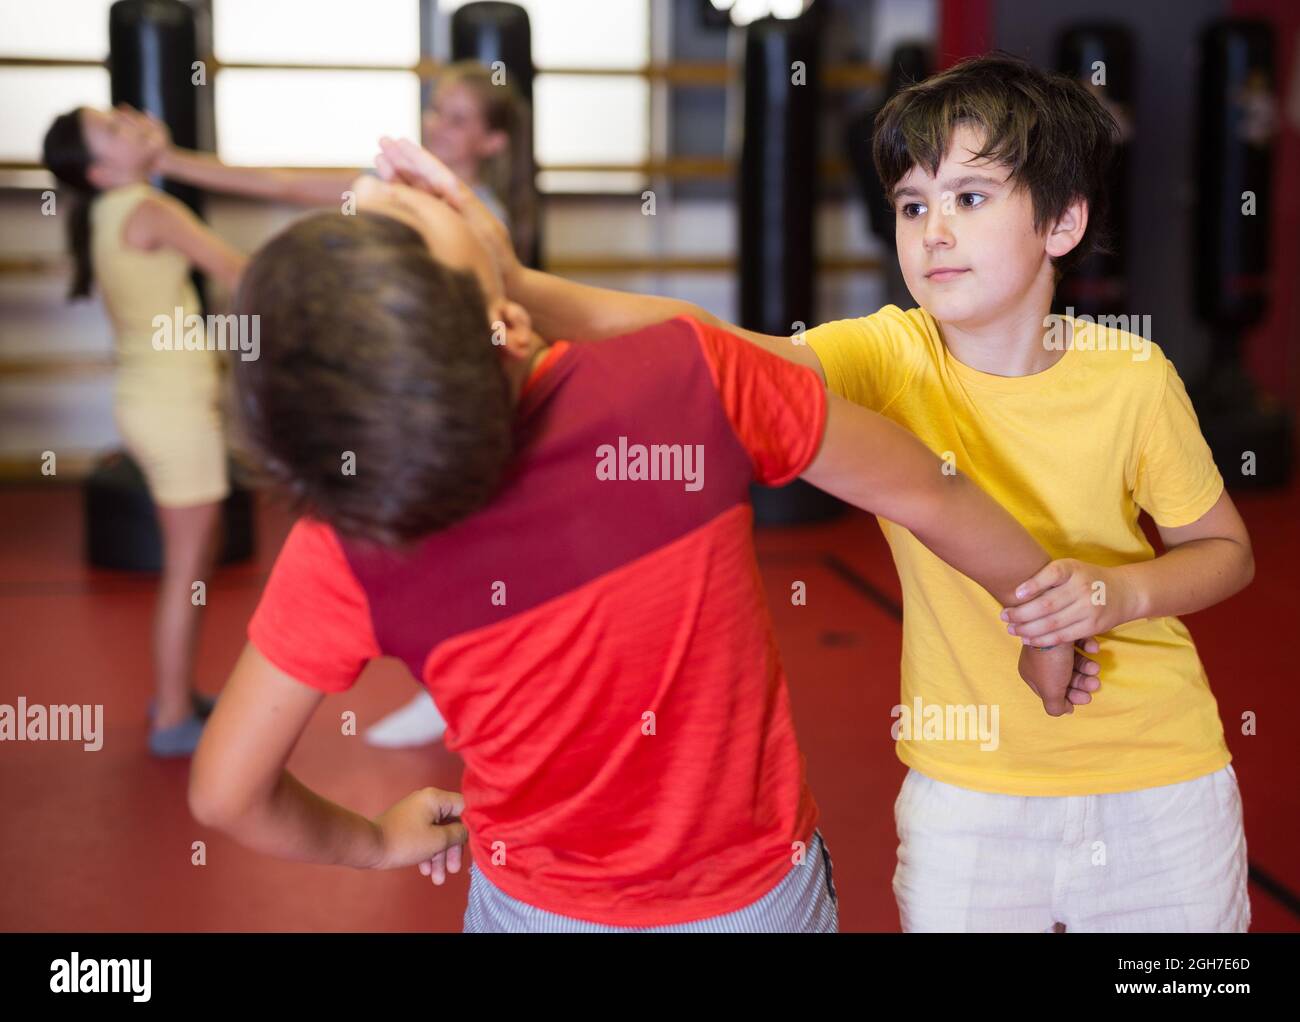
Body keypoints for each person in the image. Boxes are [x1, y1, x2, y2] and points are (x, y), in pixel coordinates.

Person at [384, 50, 1256, 934]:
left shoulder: (1133, 374)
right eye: (913, 205)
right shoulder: (888, 356)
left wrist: (1119, 592)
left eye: (970, 198)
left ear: (1063, 224)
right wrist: (519, 285)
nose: (933, 232)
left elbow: (1225, 552)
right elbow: (707, 346)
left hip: (1160, 771)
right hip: (969, 789)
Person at [187, 173, 1099, 932]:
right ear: (504, 319)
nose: (388, 186)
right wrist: (1045, 619)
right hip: (754, 903)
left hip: (534, 912)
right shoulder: (683, 377)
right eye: (411, 217)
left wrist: (376, 843)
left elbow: (226, 794)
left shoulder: (347, 540)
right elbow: (926, 487)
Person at [43, 106, 246, 757]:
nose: (128, 121)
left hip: (152, 402)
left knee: (192, 565)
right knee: (187, 568)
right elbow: (239, 272)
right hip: (173, 409)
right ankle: (172, 719)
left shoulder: (107, 212)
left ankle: (178, 694)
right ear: (101, 169)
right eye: (111, 128)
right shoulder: (148, 209)